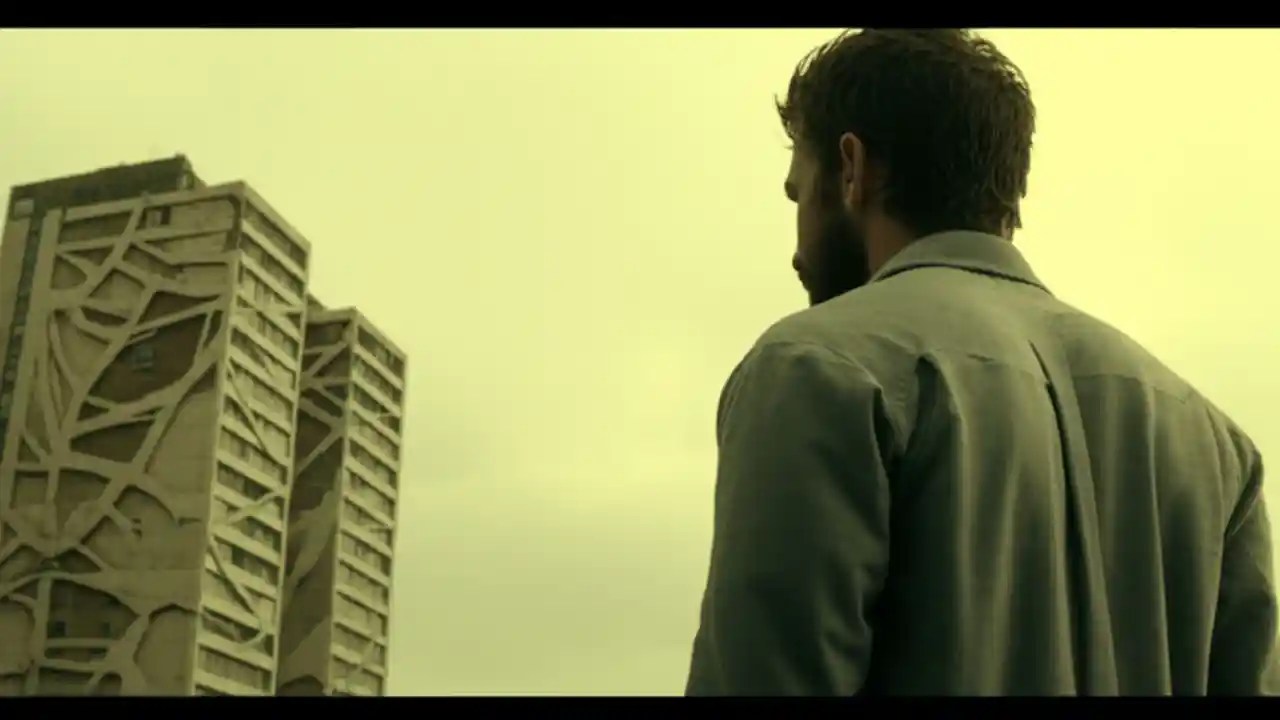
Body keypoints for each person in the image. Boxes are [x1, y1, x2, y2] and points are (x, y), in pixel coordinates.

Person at [684, 28, 1279, 696]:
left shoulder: (818, 368)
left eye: (798, 194)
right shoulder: (1215, 446)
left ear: (851, 170)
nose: (796, 248)